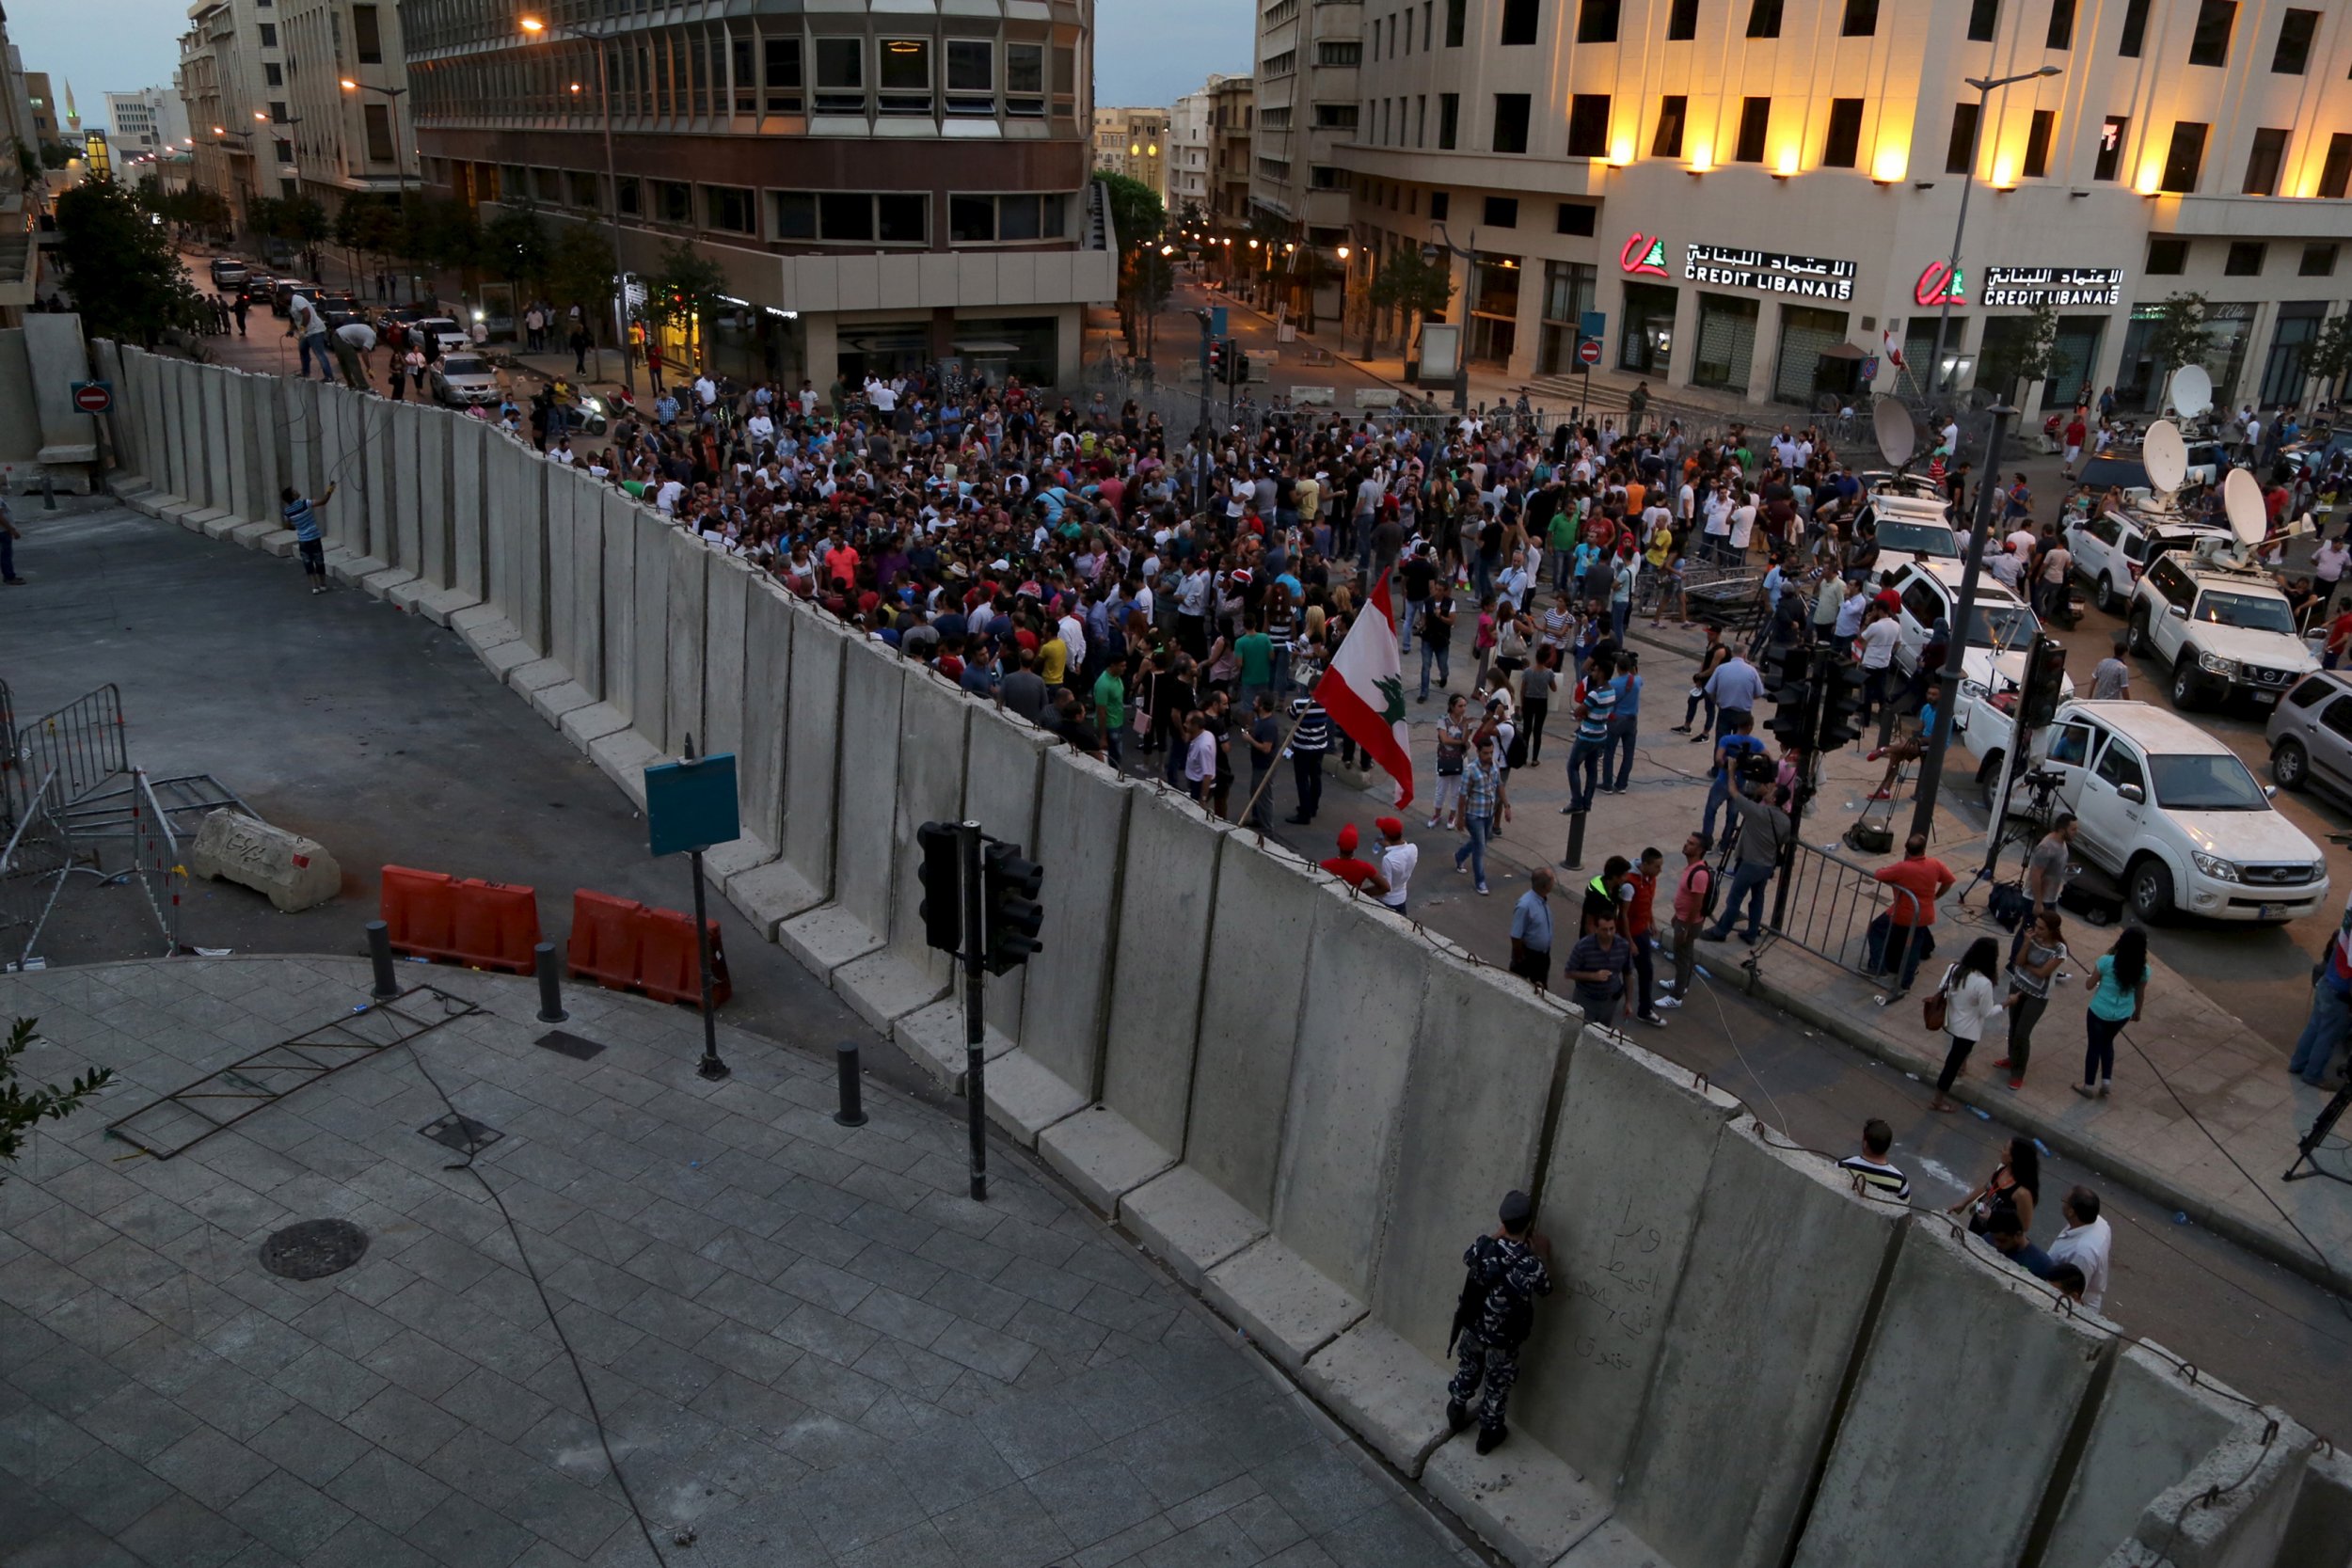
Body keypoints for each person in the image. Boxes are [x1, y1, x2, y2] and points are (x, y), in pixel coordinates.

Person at [1445, 1190, 1552, 1456]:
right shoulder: (1530, 1265)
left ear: (1503, 1221)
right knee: (1496, 1385)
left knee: (1468, 1368)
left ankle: (1456, 1409)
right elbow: (1547, 1289)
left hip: (1473, 1329)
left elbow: (1468, 1256)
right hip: (1502, 1341)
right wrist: (1543, 1254)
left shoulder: (1484, 1247)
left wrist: (1496, 1235)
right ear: (1529, 1223)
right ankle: (1488, 1435)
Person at [1701, 768, 1788, 944]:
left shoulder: (1757, 812)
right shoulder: (1786, 820)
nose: (1768, 791)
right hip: (1766, 865)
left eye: (1771, 792)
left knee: (1734, 898)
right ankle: (1751, 932)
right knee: (1757, 898)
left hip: (1750, 864)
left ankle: (1720, 931)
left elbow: (1733, 792)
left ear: (1774, 799)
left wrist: (1732, 770)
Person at [1928, 936, 2006, 1112]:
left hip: (1950, 1019)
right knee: (1952, 1064)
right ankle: (1937, 1101)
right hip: (1968, 1030)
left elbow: (1942, 987)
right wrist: (2005, 1004)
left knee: (1956, 1055)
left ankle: (1962, 1066)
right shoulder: (1983, 983)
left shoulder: (1954, 968)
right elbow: (1987, 1012)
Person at [1870, 833, 1955, 994]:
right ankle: (1905, 983)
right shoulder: (1934, 864)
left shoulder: (1903, 867)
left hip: (1901, 914)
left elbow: (1879, 874)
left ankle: (1878, 966)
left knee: (1876, 930)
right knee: (1914, 948)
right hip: (1923, 916)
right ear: (1924, 849)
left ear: (1906, 850)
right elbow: (1949, 880)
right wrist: (1937, 895)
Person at [1996, 910, 2070, 1091]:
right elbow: (2018, 961)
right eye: (2036, 926)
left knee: (2023, 1032)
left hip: (2037, 994)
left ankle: (2018, 1073)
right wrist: (2027, 943)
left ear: (2052, 930)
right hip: (2018, 985)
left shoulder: (2059, 949)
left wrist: (2026, 966)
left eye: (2041, 928)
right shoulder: (2032, 938)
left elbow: (2043, 973)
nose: (2037, 931)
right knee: (2013, 1026)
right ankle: (2011, 1058)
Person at [2077, 925, 2148, 1098]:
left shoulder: (2106, 962)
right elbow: (2140, 995)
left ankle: (2088, 1086)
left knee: (2094, 1046)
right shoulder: (2143, 971)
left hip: (2099, 1011)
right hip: (2122, 1014)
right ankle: (2106, 1082)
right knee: (2107, 1043)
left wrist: (2092, 977)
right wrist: (2137, 1013)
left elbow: (2089, 985)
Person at [1660, 832, 1711, 1007]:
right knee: (1686, 953)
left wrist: (1685, 927)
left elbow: (1696, 905)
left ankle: (1676, 996)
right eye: (1687, 841)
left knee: (1681, 957)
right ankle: (1683, 984)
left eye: (1691, 844)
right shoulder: (1692, 868)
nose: (1686, 845)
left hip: (1688, 923)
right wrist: (1677, 915)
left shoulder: (1699, 874)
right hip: (1683, 919)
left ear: (1700, 850)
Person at [1953, 1135, 2041, 1238]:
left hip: (1994, 1238)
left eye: (2005, 1149)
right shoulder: (2003, 1169)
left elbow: (2024, 1226)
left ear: (2012, 1158)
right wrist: (1963, 1203)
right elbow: (1986, 1187)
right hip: (1977, 1224)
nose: (2001, 1151)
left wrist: (1994, 1217)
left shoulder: (2022, 1193)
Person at [2045, 1186, 2113, 1314]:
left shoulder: (2083, 1253)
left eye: (2064, 1201)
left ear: (2071, 1212)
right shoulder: (2097, 1222)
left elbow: (2072, 1291)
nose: (2062, 1203)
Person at [1453, 733, 1506, 895]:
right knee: (1480, 848)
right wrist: (1460, 818)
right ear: (1478, 752)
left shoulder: (1495, 765)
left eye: (1491, 752)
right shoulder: (1470, 770)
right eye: (1485, 753)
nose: (1489, 756)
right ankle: (1480, 881)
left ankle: (1459, 855)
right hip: (1474, 815)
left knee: (1478, 842)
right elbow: (1462, 796)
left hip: (1488, 812)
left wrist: (1507, 806)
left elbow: (1499, 786)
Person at [1565, 650, 1616, 816]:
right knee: (1592, 769)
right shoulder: (1611, 691)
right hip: (1601, 735)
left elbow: (1579, 711)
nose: (1592, 672)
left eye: (1594, 670)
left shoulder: (1595, 693)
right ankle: (1587, 801)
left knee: (1572, 767)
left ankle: (1576, 801)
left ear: (1601, 672)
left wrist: (1581, 714)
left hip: (1587, 735)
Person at [1565, 908, 1635, 1027]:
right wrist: (1593, 976)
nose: (1609, 933)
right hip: (1586, 1001)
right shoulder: (1584, 947)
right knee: (1583, 1032)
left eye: (1611, 929)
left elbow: (1628, 973)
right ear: (1596, 929)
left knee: (1602, 1034)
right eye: (1604, 930)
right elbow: (1569, 972)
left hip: (1609, 1002)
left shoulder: (1623, 946)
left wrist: (1628, 1002)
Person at [281, 482, 338, 594]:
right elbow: (323, 501)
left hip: (303, 540)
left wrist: (297, 527)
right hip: (314, 536)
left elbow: (287, 526)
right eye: (294, 491)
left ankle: (314, 586)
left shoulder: (287, 512)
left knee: (308, 562)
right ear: (293, 496)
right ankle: (323, 584)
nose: (297, 492)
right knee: (319, 560)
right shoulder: (304, 503)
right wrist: (330, 490)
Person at [1285, 689, 1332, 825]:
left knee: (1302, 780)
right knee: (1316, 777)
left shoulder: (1299, 704)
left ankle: (1304, 813)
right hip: (1319, 745)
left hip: (1303, 747)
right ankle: (1313, 807)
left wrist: (1289, 709)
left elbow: (1292, 715)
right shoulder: (1327, 702)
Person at [1837, 1118, 1912, 1202]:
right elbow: (1904, 1207)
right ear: (1888, 1146)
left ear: (1865, 1143)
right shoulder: (1899, 1180)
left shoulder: (1843, 1165)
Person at [1509, 869, 1555, 990]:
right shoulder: (1525, 905)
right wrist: (1520, 957)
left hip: (1542, 957)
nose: (1554, 882)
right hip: (1528, 956)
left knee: (1541, 988)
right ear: (1545, 886)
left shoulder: (1542, 900)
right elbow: (1516, 935)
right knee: (1517, 987)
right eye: (1552, 880)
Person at [1982, 1210, 2055, 1282]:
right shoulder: (1987, 1239)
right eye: (1993, 1238)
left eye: (2002, 1241)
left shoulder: (2042, 1264)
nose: (1996, 1244)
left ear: (2018, 1234)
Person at [1319, 822, 1391, 895]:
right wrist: (1360, 894)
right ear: (1355, 847)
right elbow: (1386, 887)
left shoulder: (1324, 865)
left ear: (1338, 844)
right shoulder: (1365, 867)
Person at [1375, 816, 1418, 915]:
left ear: (1386, 836)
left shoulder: (1388, 859)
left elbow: (1385, 888)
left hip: (1388, 902)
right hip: (1401, 898)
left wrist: (1364, 892)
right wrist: (1389, 846)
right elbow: (1401, 851)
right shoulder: (1413, 848)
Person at [0, 493, 22, 585]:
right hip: (2, 531)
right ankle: (9, 577)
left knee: (6, 554)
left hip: (4, 530)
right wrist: (11, 529)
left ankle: (8, 575)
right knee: (6, 555)